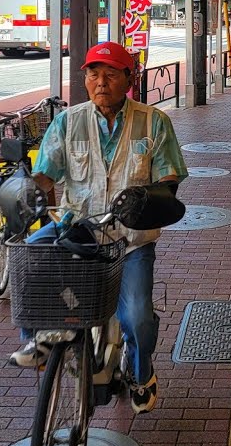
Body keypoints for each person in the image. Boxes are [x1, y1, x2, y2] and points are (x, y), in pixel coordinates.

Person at [20, 42, 189, 415]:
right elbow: (47, 175)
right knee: (30, 257)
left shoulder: (153, 121)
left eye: (111, 74)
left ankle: (141, 372)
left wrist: (151, 202)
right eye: (93, 74)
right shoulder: (68, 120)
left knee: (137, 317)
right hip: (75, 229)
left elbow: (170, 178)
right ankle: (39, 341)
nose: (101, 82)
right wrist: (25, 192)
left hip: (130, 241)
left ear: (129, 79)